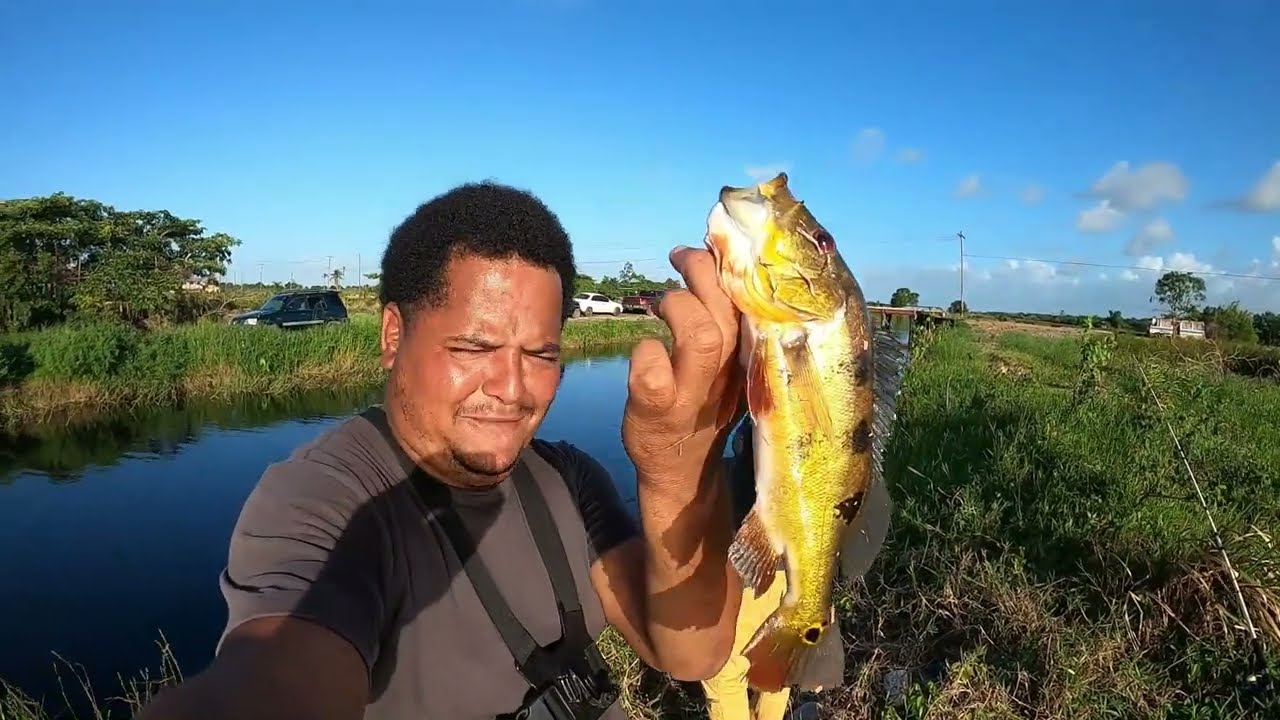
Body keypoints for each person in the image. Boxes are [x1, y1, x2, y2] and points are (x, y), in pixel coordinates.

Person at [135, 181, 747, 720]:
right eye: (474, 347)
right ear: (393, 335)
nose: (512, 388)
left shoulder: (570, 479)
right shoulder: (321, 500)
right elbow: (277, 675)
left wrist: (676, 473)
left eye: (540, 354)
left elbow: (690, 650)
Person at [699, 417, 829, 720]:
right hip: (791, 572)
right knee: (776, 666)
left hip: (751, 574)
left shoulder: (777, 410)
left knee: (726, 674)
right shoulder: (821, 423)